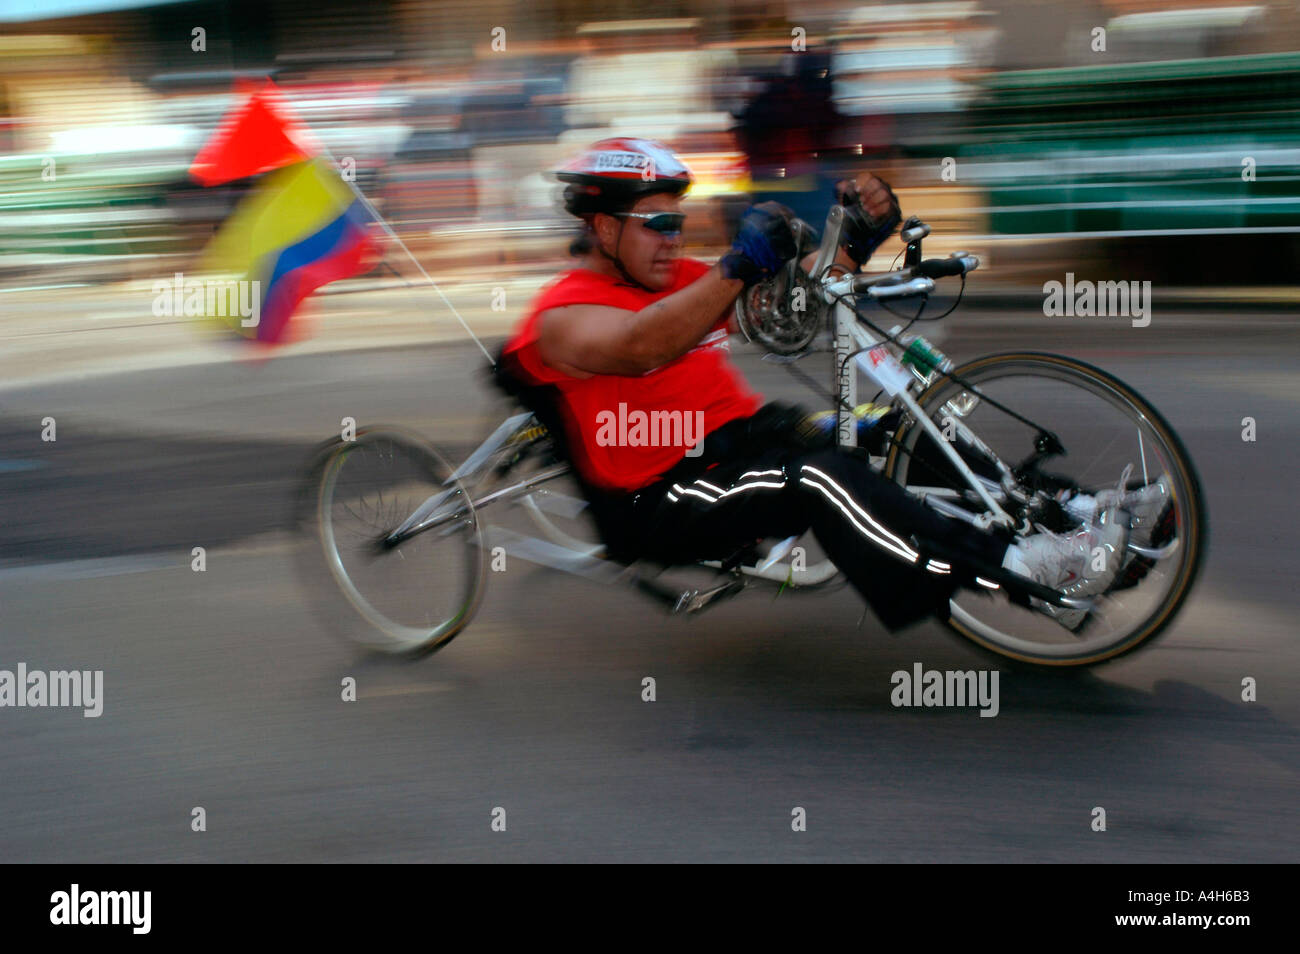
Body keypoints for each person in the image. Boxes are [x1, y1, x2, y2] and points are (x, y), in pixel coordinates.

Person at [499, 138, 1165, 631]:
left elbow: (800, 290)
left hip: (746, 441)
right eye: (660, 223)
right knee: (824, 479)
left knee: (893, 428)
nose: (675, 239)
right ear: (602, 226)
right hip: (666, 495)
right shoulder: (561, 315)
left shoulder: (678, 282)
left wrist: (861, 232)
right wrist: (736, 265)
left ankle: (1076, 513)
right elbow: (644, 345)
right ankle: (1026, 564)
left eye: (681, 222)